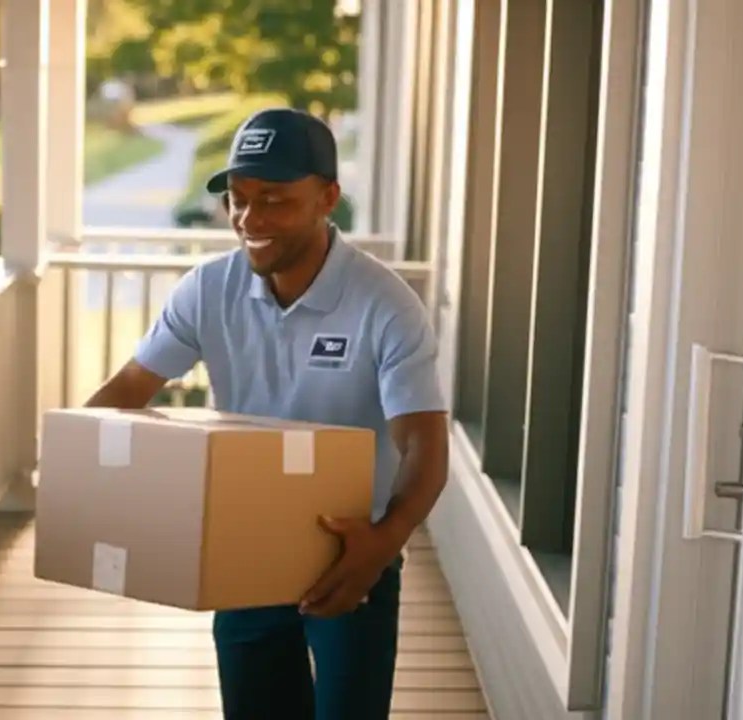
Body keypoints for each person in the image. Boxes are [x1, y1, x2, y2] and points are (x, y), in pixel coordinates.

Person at [83, 107, 449, 720]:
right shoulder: (207, 290)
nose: (251, 220)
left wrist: (381, 546)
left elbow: (424, 449)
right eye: (238, 199)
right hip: (244, 545)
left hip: (352, 552)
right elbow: (127, 388)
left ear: (327, 197)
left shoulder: (385, 304)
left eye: (275, 200)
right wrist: (79, 476)